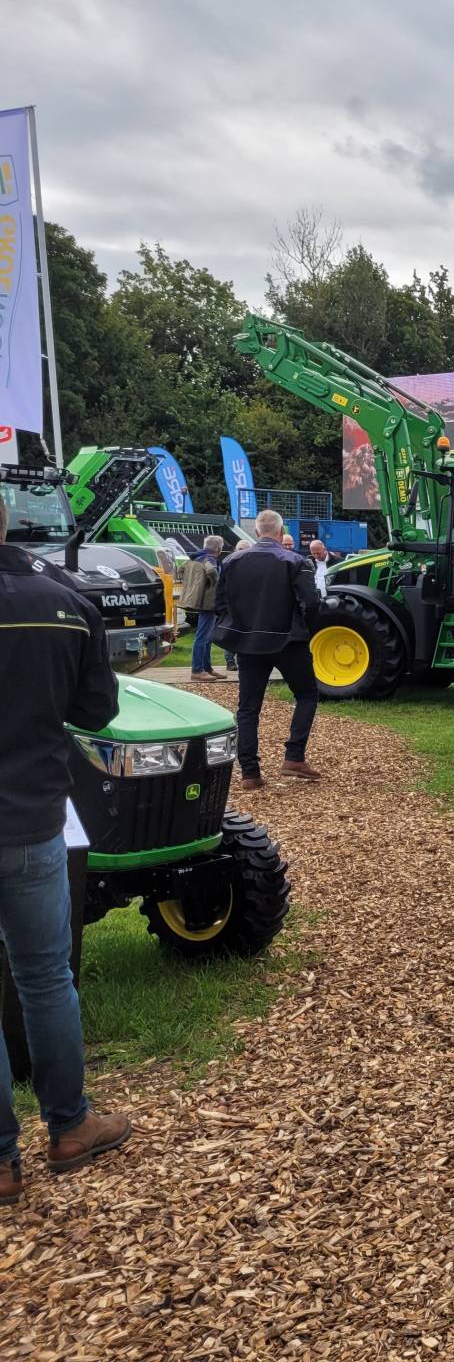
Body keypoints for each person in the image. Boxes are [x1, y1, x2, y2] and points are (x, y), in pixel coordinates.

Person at [0, 493, 135, 1203]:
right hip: (29, 817)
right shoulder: (58, 600)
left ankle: (1, 1162)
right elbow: (98, 710)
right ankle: (69, 1127)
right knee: (46, 978)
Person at [215, 509, 322, 790]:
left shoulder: (232, 560)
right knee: (307, 695)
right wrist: (305, 628)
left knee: (248, 709)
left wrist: (235, 628)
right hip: (288, 640)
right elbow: (310, 602)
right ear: (279, 531)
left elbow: (220, 603)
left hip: (248, 642)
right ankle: (294, 756)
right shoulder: (295, 561)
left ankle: (250, 773)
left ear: (256, 532)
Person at [178, 533, 227, 680]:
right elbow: (213, 573)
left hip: (199, 601)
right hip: (208, 603)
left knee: (207, 636)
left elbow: (180, 570)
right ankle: (197, 670)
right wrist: (216, 584)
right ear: (218, 549)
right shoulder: (209, 560)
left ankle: (207, 668)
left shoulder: (193, 559)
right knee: (202, 636)